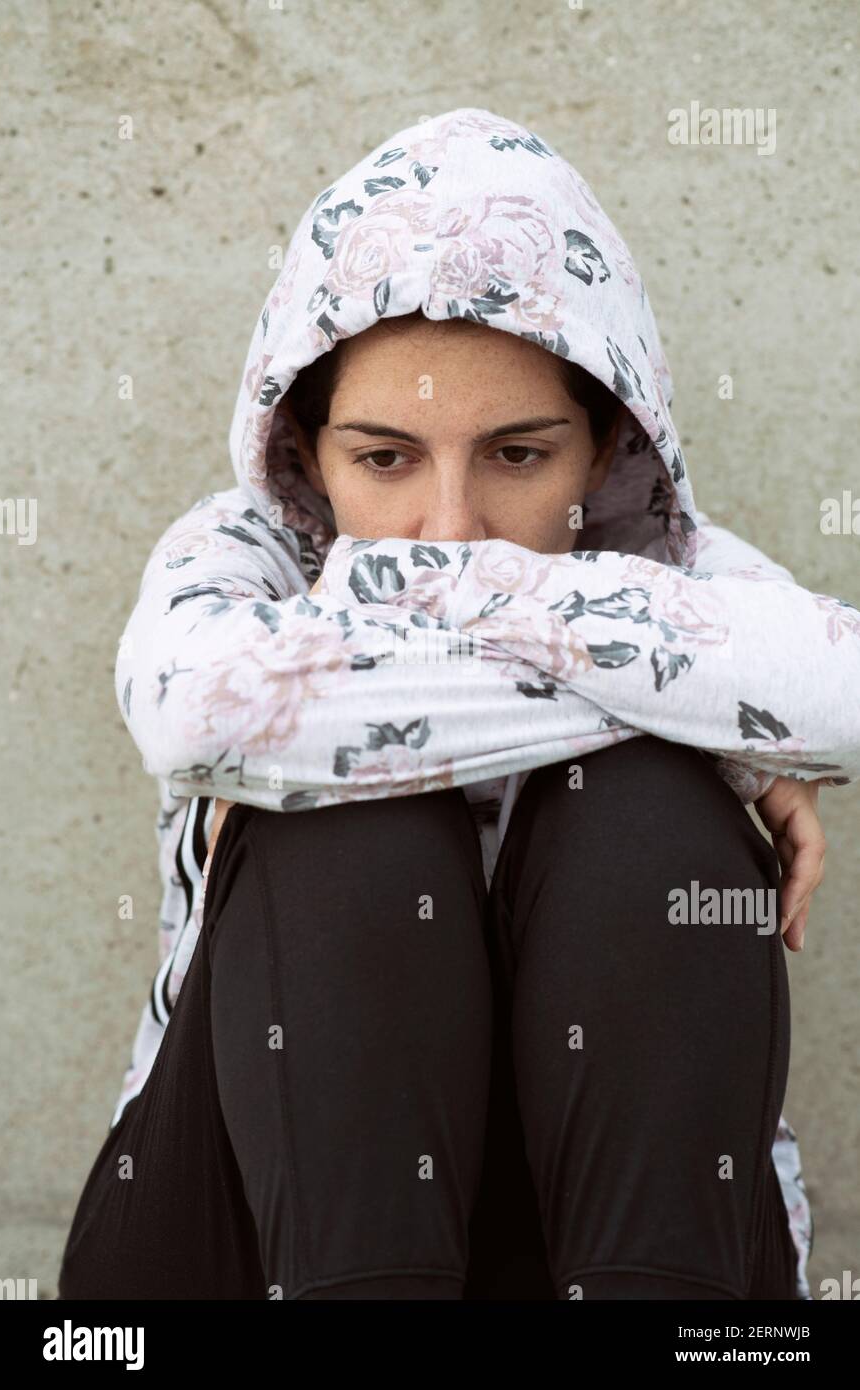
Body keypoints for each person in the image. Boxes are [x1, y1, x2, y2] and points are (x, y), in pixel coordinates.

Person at [58, 106, 860, 1302]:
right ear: (305, 454)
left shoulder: (674, 558)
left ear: (602, 446)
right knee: (349, 821)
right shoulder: (249, 550)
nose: (449, 529)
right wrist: (702, 717)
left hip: (603, 1234)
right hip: (248, 1234)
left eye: (518, 456)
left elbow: (835, 687)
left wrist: (373, 620)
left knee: (641, 810)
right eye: (384, 459)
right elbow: (195, 708)